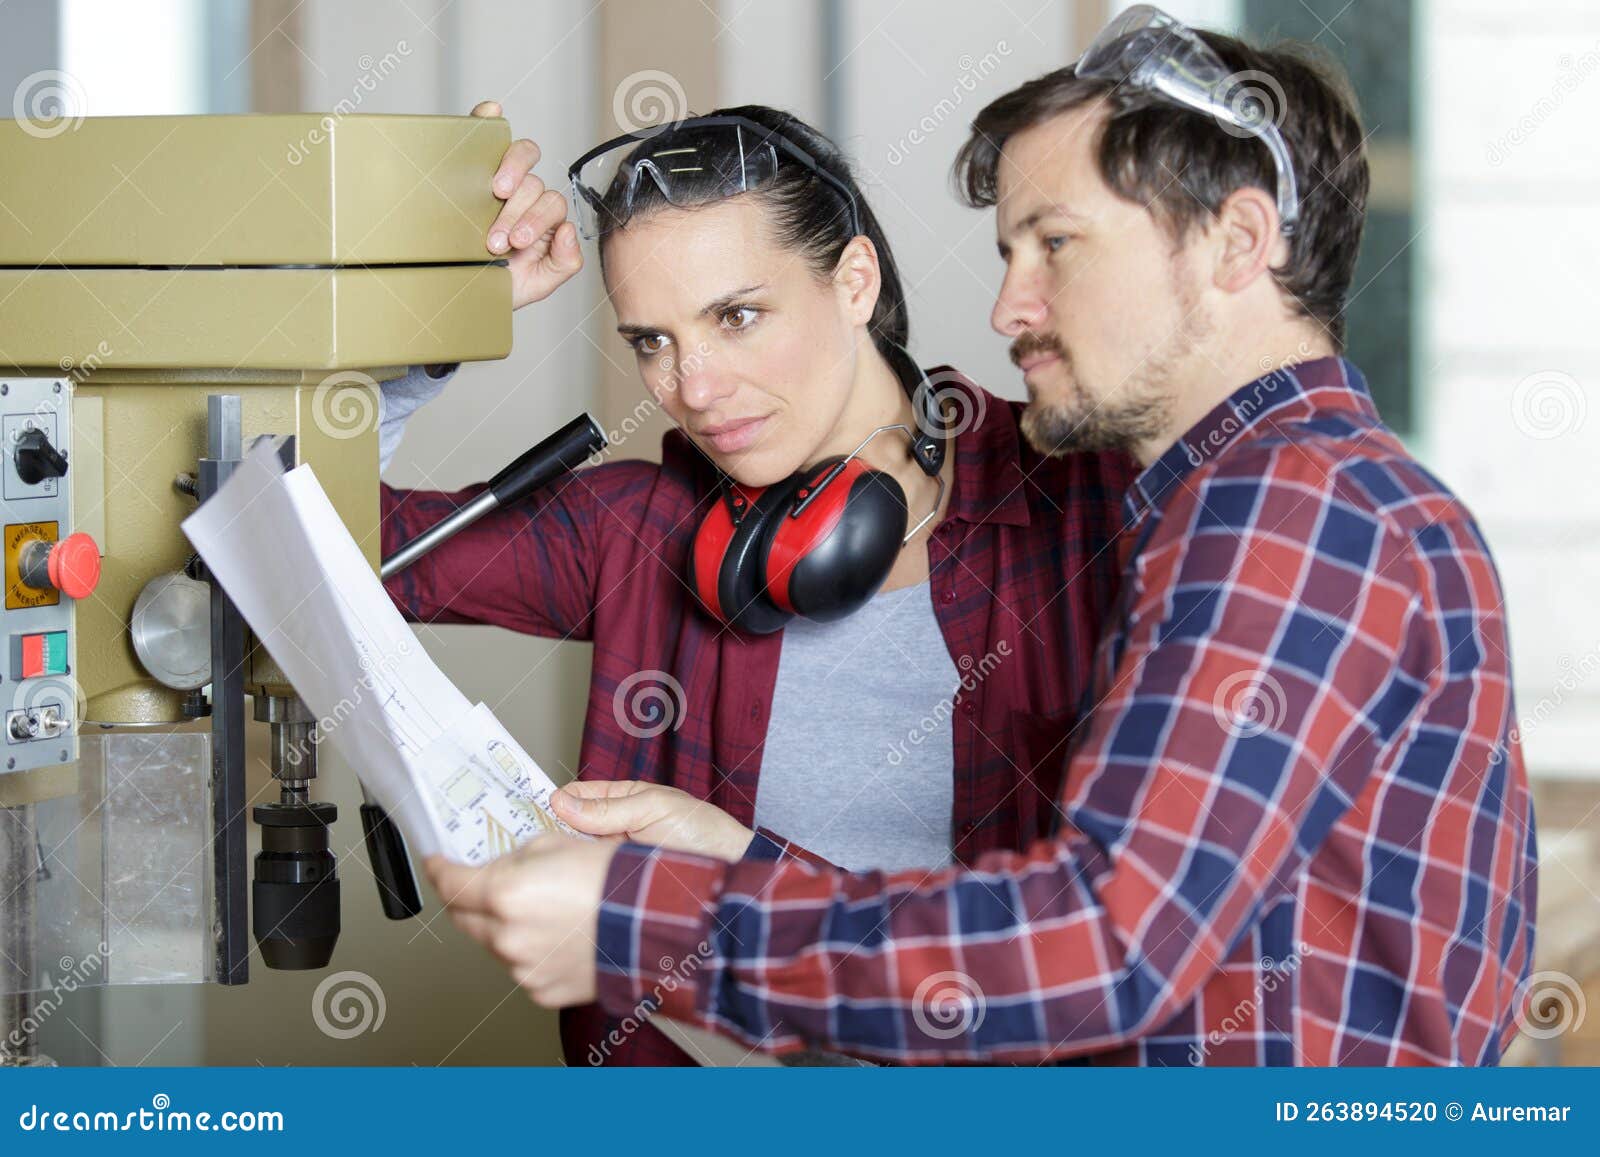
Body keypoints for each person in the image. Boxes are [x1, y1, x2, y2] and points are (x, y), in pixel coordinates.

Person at [426, 8, 1537, 1066]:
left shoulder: (1288, 510)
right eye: (1012, 251)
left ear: (1236, 240)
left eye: (1055, 243)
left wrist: (640, 920)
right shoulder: (1245, 502)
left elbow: (1101, 941)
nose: (1007, 308)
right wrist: (740, 863)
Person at [381, 103, 1133, 1065]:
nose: (694, 385)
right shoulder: (640, 527)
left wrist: (738, 872)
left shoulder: (1085, 501)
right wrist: (430, 317)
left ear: (853, 281)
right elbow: (335, 540)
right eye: (651, 339)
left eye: (737, 316)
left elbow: (1114, 936)